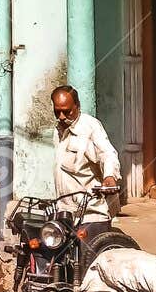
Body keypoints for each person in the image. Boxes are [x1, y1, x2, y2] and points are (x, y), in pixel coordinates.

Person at [51, 85, 122, 234]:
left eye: (67, 111)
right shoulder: (59, 130)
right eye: (58, 112)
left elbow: (108, 153)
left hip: (91, 215)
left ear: (77, 106)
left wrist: (109, 176)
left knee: (88, 255)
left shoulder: (90, 127)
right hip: (65, 211)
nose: (62, 117)